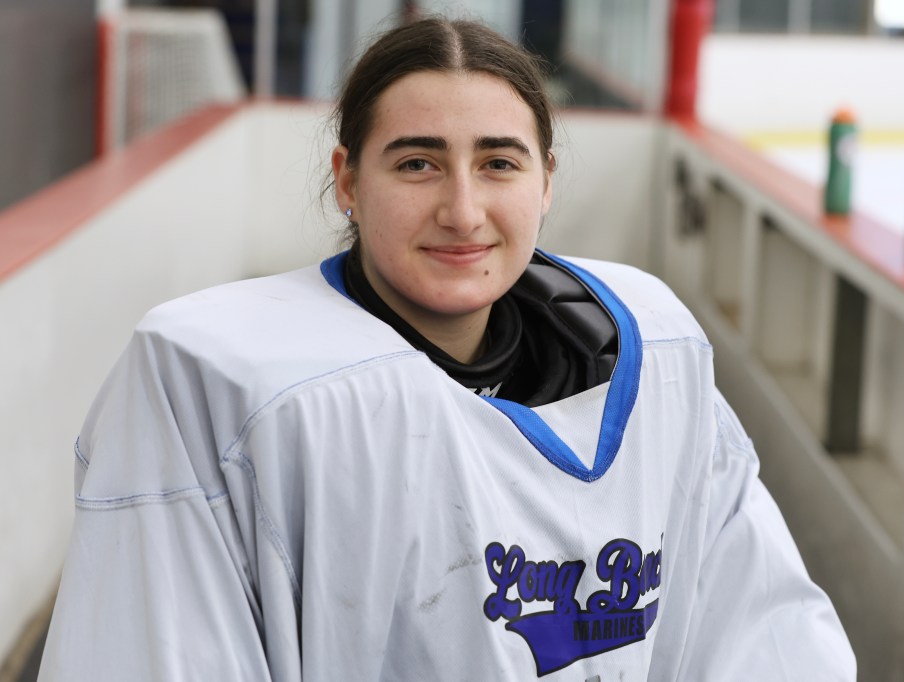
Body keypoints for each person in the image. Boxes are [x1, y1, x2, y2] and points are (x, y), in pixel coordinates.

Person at [40, 16, 856, 681]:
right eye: (419, 163)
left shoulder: (660, 350)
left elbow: (762, 626)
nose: (463, 212)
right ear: (350, 181)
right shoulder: (219, 385)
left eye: (498, 163)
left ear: (547, 181)